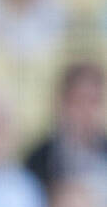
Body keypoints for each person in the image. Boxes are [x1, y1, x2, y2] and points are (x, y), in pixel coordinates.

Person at [24, 62, 107, 199]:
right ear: (62, 104)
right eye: (79, 100)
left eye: (94, 101)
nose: (86, 111)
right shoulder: (39, 160)